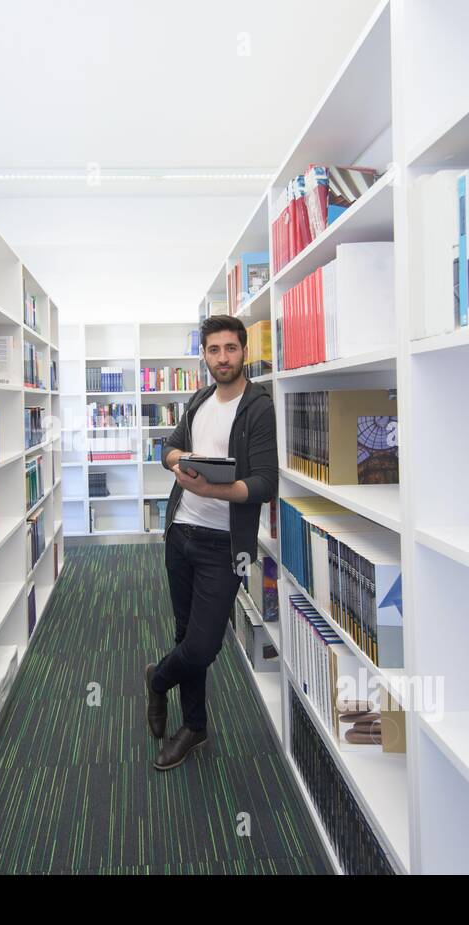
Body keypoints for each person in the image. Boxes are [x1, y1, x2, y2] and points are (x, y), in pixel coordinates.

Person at [147, 315, 278, 770]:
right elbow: (168, 448)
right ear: (203, 355)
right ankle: (195, 726)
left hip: (225, 545)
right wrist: (181, 460)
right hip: (180, 532)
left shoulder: (258, 406)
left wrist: (212, 489)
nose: (222, 358)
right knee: (186, 634)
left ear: (244, 352)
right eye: (214, 350)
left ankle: (159, 679)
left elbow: (263, 483)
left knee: (204, 645)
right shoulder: (199, 399)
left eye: (231, 349)